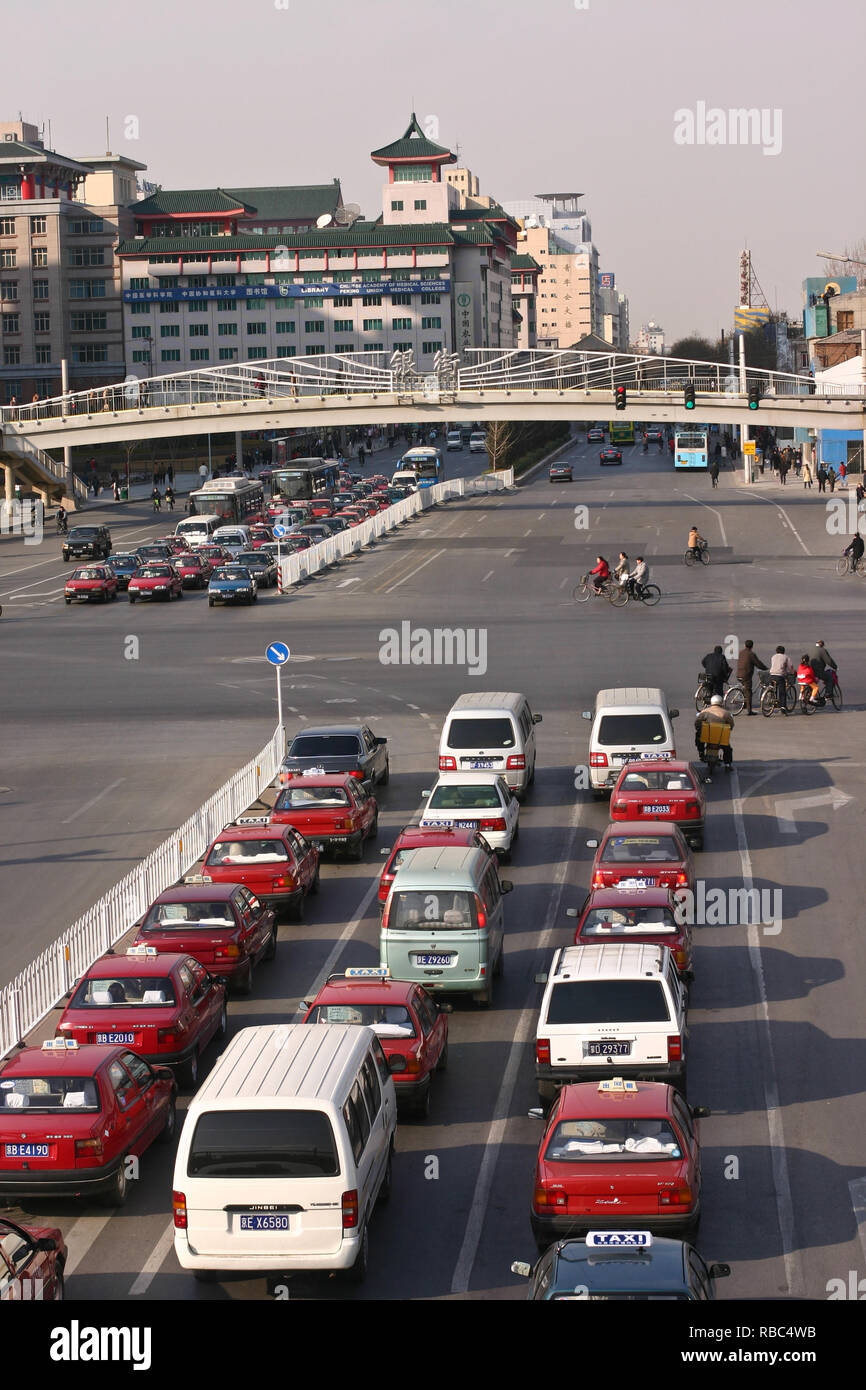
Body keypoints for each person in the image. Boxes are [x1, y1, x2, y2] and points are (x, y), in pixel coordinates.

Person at [695, 695, 734, 768]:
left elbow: (697, 723)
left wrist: (699, 730)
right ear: (721, 702)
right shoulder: (725, 713)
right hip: (720, 737)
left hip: (707, 736)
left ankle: (701, 753)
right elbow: (731, 725)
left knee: (698, 738)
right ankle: (728, 764)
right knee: (727, 749)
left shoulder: (705, 711)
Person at [736, 639, 767, 716]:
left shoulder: (741, 652)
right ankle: (749, 711)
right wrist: (765, 668)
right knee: (748, 692)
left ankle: (744, 705)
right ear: (752, 646)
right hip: (746, 675)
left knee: (744, 689)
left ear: (745, 645)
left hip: (739, 674)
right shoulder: (751, 654)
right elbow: (758, 663)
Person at [768, 645, 795, 714]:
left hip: (772, 675)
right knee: (782, 692)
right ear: (784, 651)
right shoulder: (785, 657)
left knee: (774, 689)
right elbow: (790, 667)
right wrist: (792, 672)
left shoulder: (773, 656)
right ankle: (783, 707)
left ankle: (773, 701)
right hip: (780, 676)